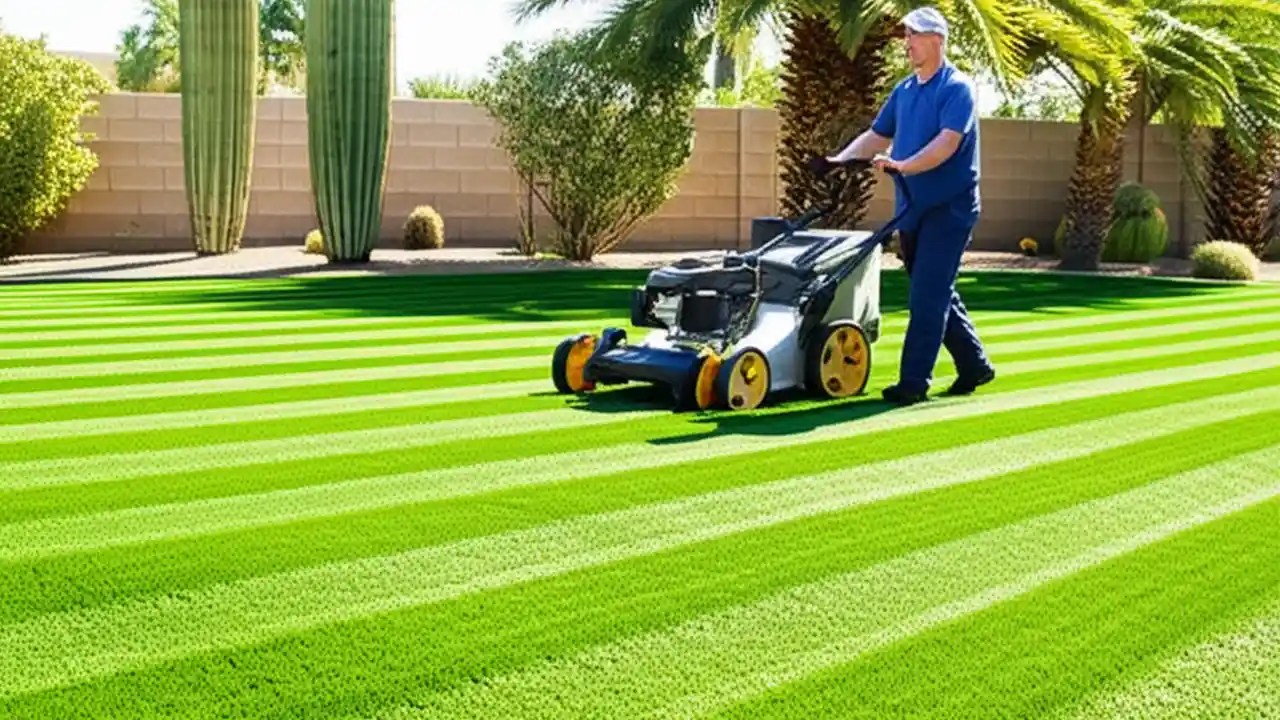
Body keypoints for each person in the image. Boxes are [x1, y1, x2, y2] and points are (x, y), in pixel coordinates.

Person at [825, 5, 995, 405]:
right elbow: (877, 135)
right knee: (934, 288)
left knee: (926, 296)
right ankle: (974, 364)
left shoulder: (957, 88)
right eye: (906, 35)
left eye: (914, 35)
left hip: (950, 210)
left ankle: (914, 382)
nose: (907, 43)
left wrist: (903, 165)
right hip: (912, 208)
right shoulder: (904, 91)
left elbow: (946, 145)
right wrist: (839, 160)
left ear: (937, 39)